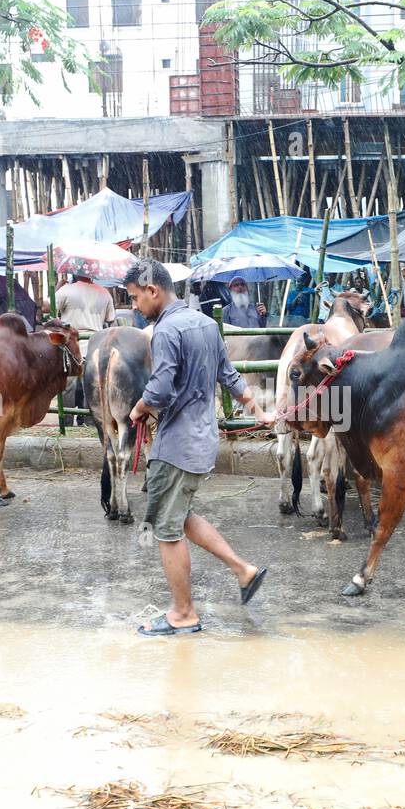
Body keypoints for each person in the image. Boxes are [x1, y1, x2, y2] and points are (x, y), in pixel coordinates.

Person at [125, 259, 275, 637]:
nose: (135, 307)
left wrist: (138, 408)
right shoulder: (207, 324)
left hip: (176, 446)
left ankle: (183, 613)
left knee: (165, 530)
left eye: (136, 298)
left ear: (153, 291)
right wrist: (260, 412)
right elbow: (231, 377)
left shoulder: (165, 330)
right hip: (202, 441)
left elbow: (159, 389)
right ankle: (243, 570)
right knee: (180, 515)